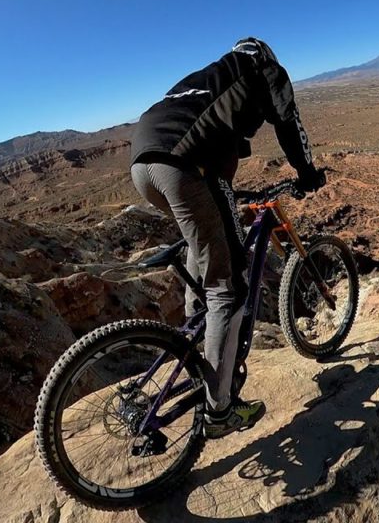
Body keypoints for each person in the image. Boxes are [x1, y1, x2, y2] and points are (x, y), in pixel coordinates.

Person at [130, 37, 325, 439]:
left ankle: (197, 330)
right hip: (180, 165)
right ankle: (220, 412)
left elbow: (222, 150)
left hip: (142, 164)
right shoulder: (263, 70)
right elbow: (289, 122)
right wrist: (307, 174)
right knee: (229, 289)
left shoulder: (211, 79)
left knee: (204, 243)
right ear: (266, 55)